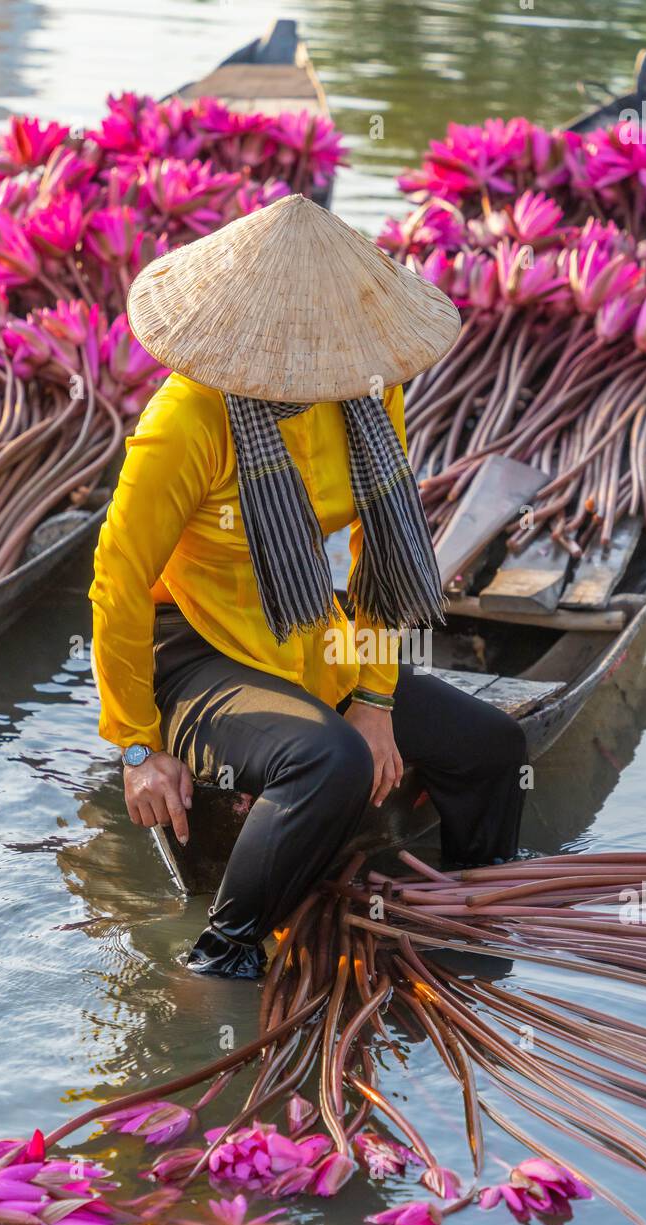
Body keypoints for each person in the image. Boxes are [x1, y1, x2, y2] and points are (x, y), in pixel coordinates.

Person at [90, 194, 528, 980]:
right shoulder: (187, 420)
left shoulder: (366, 392)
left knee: (493, 748)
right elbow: (115, 582)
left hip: (307, 631)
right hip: (193, 651)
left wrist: (377, 698)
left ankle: (462, 923)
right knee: (331, 764)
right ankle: (222, 956)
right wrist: (136, 748)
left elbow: (381, 554)